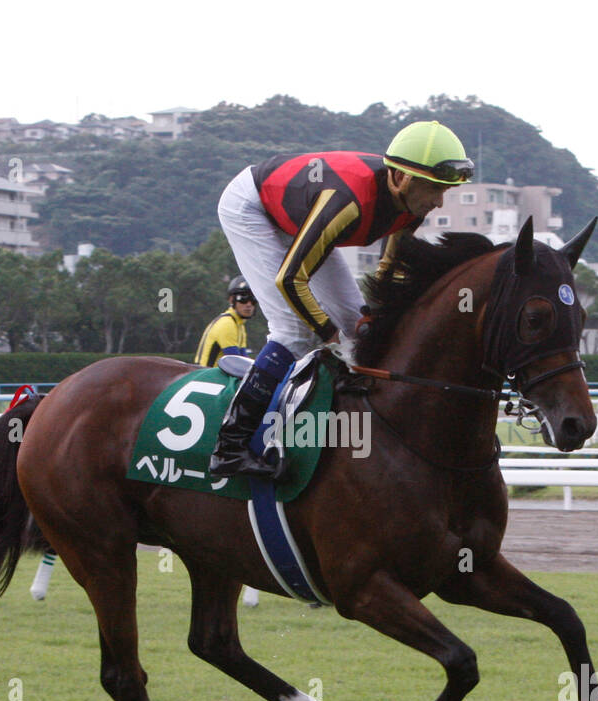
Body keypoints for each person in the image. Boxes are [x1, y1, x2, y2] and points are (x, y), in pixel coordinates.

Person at [208, 120, 474, 480]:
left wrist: (373, 322)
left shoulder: (413, 201)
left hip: (301, 216)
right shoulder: (348, 202)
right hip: (252, 207)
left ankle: (356, 426)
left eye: (445, 190)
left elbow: (387, 270)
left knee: (357, 325)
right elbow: (289, 278)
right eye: (433, 188)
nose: (438, 201)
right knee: (293, 331)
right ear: (399, 178)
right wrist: (327, 332)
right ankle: (230, 447)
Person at [194, 275, 255, 368]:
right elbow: (236, 362)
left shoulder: (239, 325)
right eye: (243, 298)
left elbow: (244, 358)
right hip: (207, 378)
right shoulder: (227, 324)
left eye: (253, 299)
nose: (249, 304)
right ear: (231, 300)